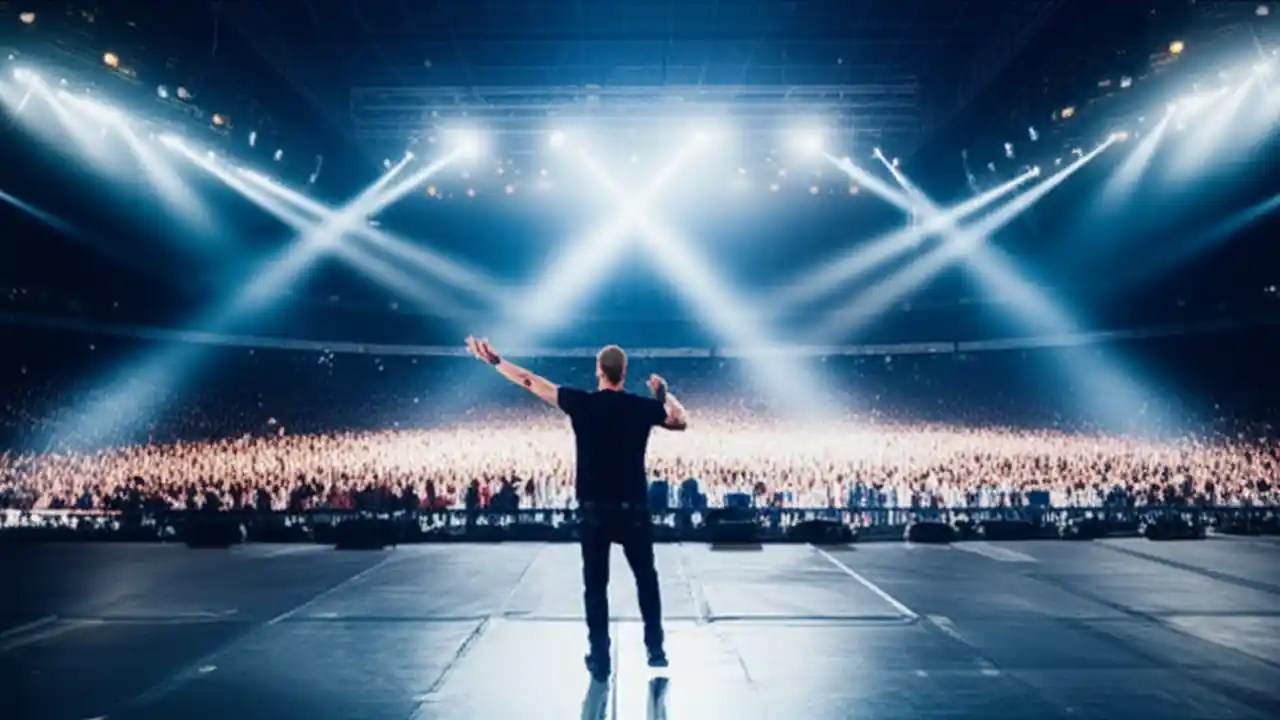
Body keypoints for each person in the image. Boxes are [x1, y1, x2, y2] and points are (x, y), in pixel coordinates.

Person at [465, 337, 688, 681]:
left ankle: (600, 658)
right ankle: (655, 649)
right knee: (646, 578)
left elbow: (531, 381)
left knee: (595, 586)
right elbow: (680, 420)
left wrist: (497, 362)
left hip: (594, 510)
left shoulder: (582, 404)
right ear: (624, 372)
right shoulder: (642, 407)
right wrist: (663, 394)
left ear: (599, 370)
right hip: (633, 509)